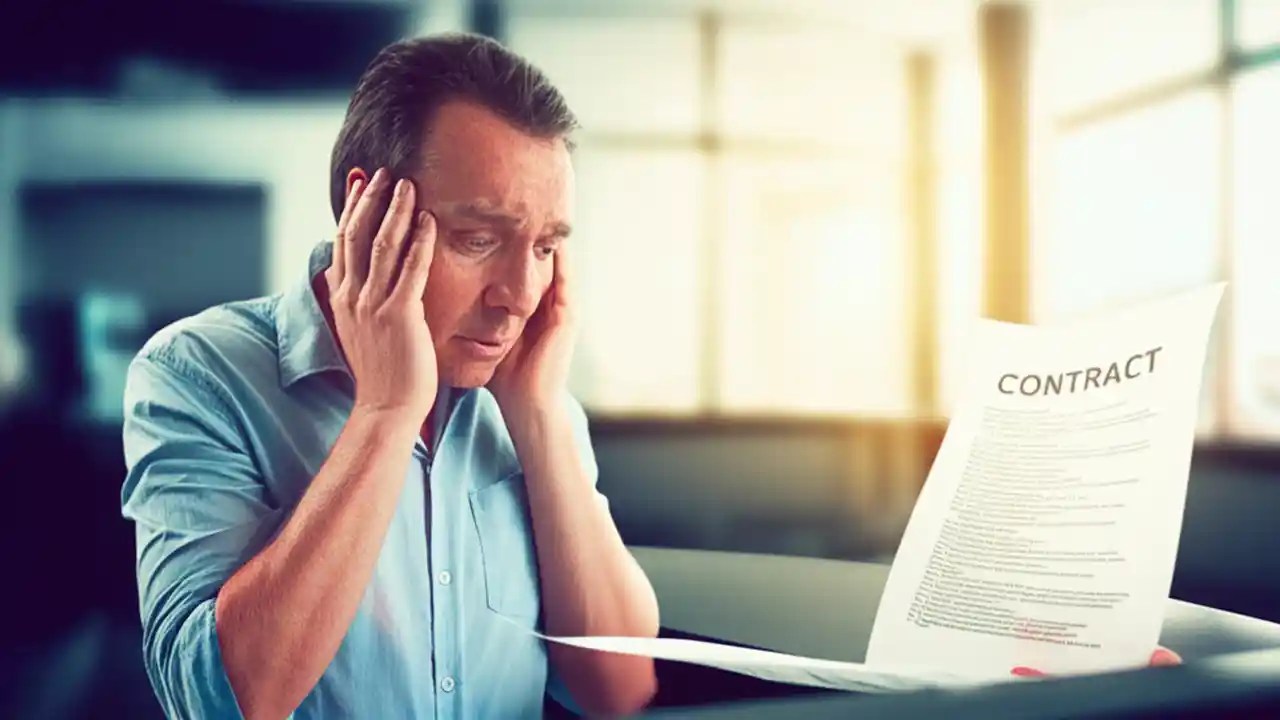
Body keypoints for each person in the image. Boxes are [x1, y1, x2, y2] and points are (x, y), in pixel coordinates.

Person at [121, 32, 660, 720]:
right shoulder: (199, 375)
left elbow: (619, 692)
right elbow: (219, 702)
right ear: (367, 211)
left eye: (546, 247)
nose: (519, 294)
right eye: (478, 240)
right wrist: (385, 413)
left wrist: (542, 423)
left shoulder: (534, 400)